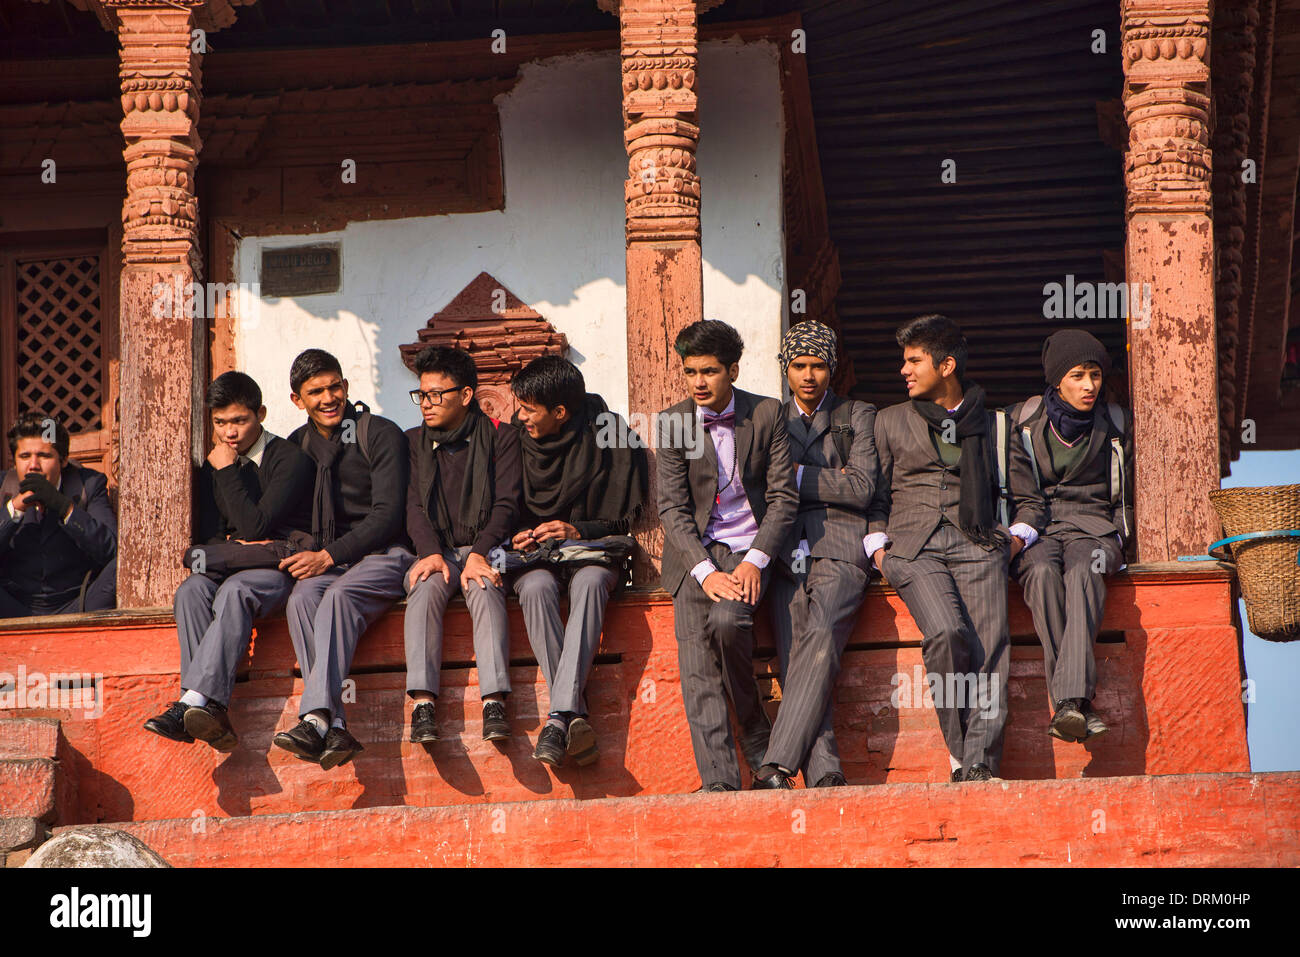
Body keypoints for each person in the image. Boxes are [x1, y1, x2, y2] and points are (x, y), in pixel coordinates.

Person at [866, 314, 1026, 783]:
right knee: (947, 634)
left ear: (947, 365)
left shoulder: (995, 424)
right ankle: (963, 751)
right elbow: (872, 494)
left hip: (979, 543)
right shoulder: (889, 420)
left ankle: (979, 764)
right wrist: (878, 547)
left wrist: (1014, 542)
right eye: (904, 361)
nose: (904, 371)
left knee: (991, 651)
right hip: (913, 548)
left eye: (915, 361)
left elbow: (1029, 499)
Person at [658, 319, 798, 792]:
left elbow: (782, 498)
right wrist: (704, 573)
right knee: (698, 672)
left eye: (710, 371)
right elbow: (672, 509)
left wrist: (755, 560)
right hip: (694, 558)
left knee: (727, 623)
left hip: (748, 550)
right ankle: (719, 784)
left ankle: (758, 736)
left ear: (733, 371)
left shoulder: (767, 414)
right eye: (690, 371)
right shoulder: (673, 422)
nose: (699, 382)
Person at [143, 372, 315, 751]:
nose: (229, 433)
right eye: (220, 423)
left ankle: (193, 702)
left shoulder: (289, 460)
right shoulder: (215, 464)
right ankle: (206, 707)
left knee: (236, 591)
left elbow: (255, 526)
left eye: (239, 421)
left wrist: (225, 472)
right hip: (229, 566)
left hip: (277, 571)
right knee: (190, 590)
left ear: (261, 414)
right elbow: (211, 538)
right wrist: (233, 541)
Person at [271, 349, 413, 770]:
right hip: (330, 560)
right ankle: (334, 727)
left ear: (347, 387)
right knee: (301, 599)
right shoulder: (296, 448)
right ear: (298, 400)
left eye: (335, 386)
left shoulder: (379, 433)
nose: (329, 397)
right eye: (316, 392)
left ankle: (314, 716)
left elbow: (388, 515)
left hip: (387, 554)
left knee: (337, 596)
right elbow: (287, 518)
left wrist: (328, 555)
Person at [752, 321, 877, 789]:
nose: (809, 375)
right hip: (783, 551)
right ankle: (825, 773)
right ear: (786, 368)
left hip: (841, 548)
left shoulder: (856, 414)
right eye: (799, 365)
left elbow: (862, 488)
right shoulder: (768, 417)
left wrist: (791, 476)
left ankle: (777, 763)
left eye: (819, 365)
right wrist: (827, 480)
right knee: (798, 658)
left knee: (820, 634)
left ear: (833, 367)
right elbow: (761, 491)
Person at [507, 355, 647, 768]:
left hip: (593, 552)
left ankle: (557, 716)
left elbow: (623, 515)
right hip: (538, 558)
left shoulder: (609, 435)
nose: (521, 416)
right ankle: (572, 714)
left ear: (561, 412)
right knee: (534, 587)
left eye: (530, 409)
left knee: (587, 583)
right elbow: (501, 505)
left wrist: (577, 530)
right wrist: (516, 535)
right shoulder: (515, 441)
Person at [1007, 329, 1133, 744]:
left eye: (1095, 375)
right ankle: (1077, 705)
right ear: (1057, 379)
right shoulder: (1021, 422)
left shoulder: (1115, 424)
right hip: (1038, 530)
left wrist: (1122, 536)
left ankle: (1067, 701)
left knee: (1083, 572)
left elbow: (1129, 493)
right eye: (1078, 375)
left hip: (1094, 529)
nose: (1089, 386)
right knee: (1041, 574)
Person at [402, 346, 521, 746]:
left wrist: (478, 553)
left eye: (437, 394)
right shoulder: (414, 442)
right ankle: (422, 705)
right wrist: (429, 552)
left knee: (485, 588)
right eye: (421, 395)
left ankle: (494, 701)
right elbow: (413, 505)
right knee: (423, 588)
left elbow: (507, 502)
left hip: (481, 547)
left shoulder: (502, 438)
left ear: (466, 395)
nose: (426, 404)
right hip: (436, 549)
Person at [0, 412, 116, 617]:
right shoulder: (3, 486)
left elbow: (111, 548)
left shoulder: (88, 484)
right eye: (25, 456)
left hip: (77, 604)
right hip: (14, 605)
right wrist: (15, 508)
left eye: (44, 456)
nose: (33, 465)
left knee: (122, 563)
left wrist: (63, 506)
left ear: (63, 461)